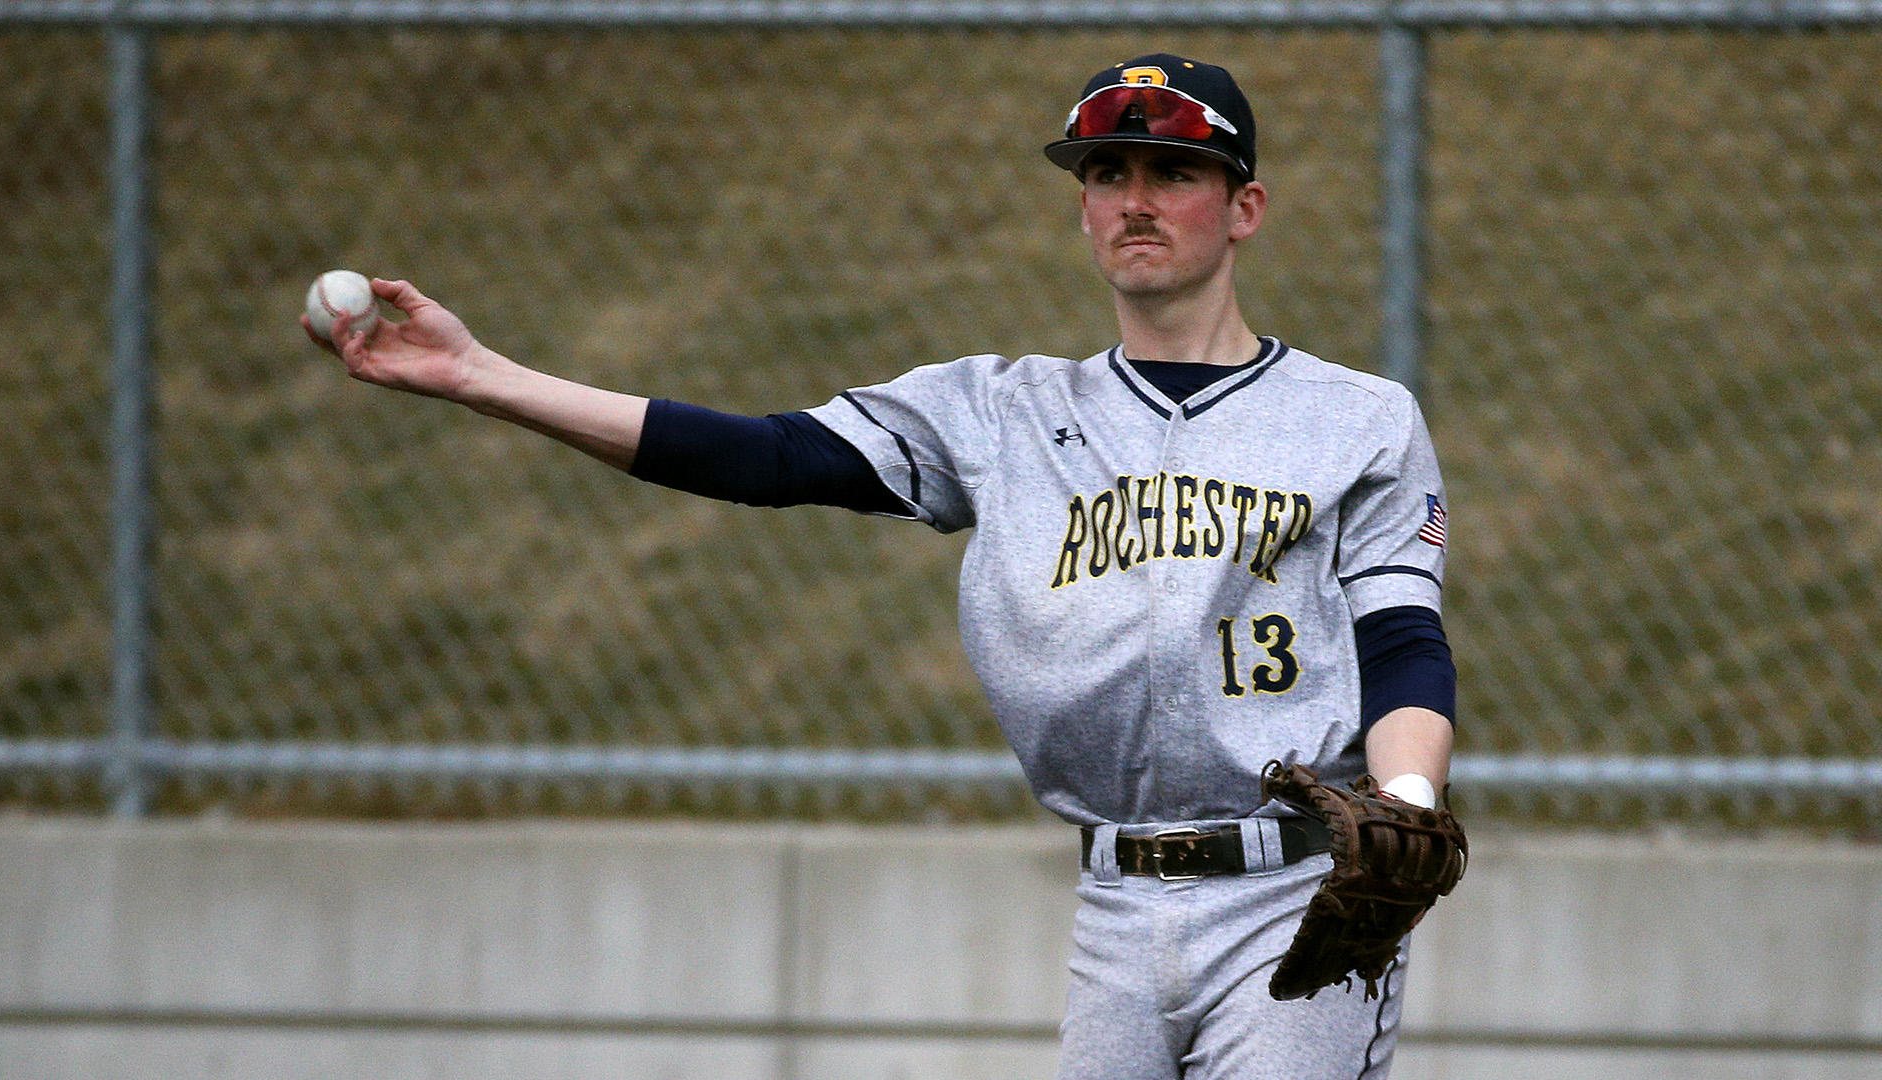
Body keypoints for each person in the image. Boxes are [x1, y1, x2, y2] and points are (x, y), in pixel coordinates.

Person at [308, 52, 1456, 1080]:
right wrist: (483, 377)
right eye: (1107, 174)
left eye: (1174, 171)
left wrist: (1407, 805)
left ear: (1245, 206)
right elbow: (766, 456)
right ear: (1084, 208)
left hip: (1300, 892)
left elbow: (1402, 639)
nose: (1135, 200)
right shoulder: (998, 413)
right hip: (1116, 907)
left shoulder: (1354, 419)